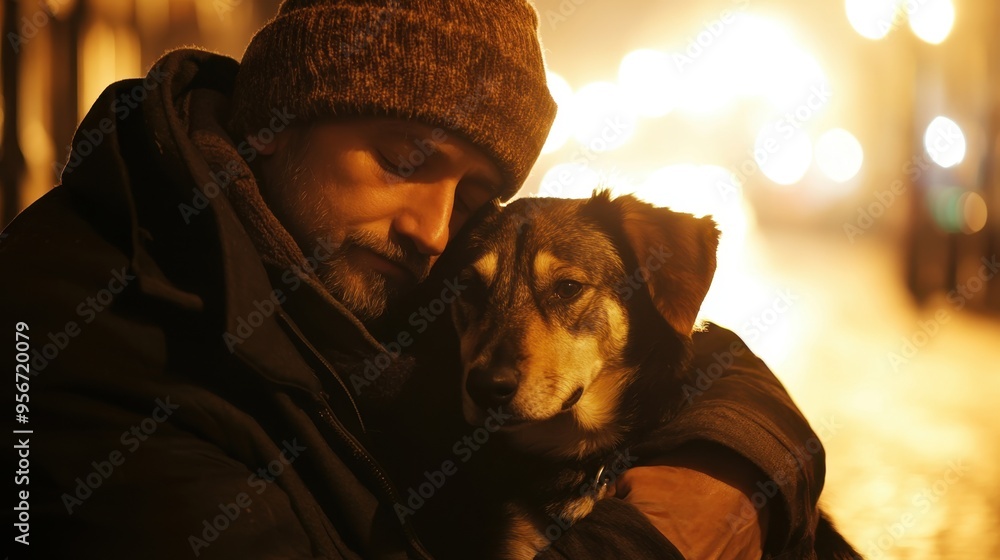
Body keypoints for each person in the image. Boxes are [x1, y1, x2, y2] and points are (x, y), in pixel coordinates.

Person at [1, 0, 825, 558]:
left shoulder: (379, 273)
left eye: (472, 196)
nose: (433, 233)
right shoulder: (68, 343)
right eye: (404, 160)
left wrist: (731, 470)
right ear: (277, 123)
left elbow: (703, 360)